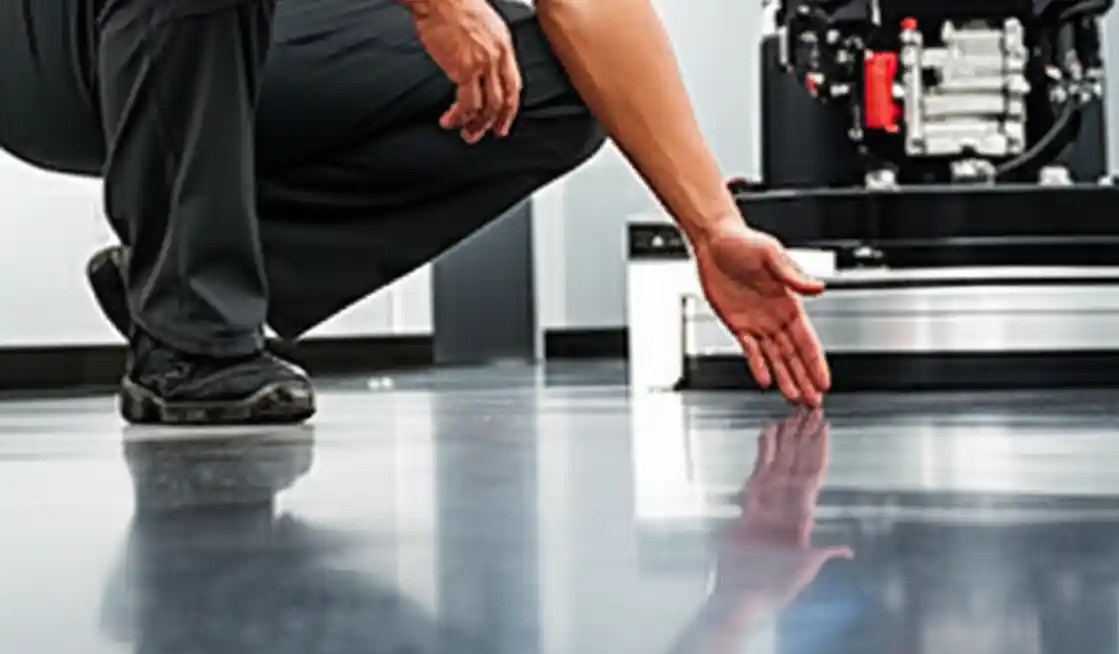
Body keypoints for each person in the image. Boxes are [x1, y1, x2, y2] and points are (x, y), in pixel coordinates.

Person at [0, 0, 832, 425]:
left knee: (550, 84)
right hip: (43, 46)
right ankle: (191, 339)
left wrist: (711, 225)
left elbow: (596, 11)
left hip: (237, 43)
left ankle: (192, 266)